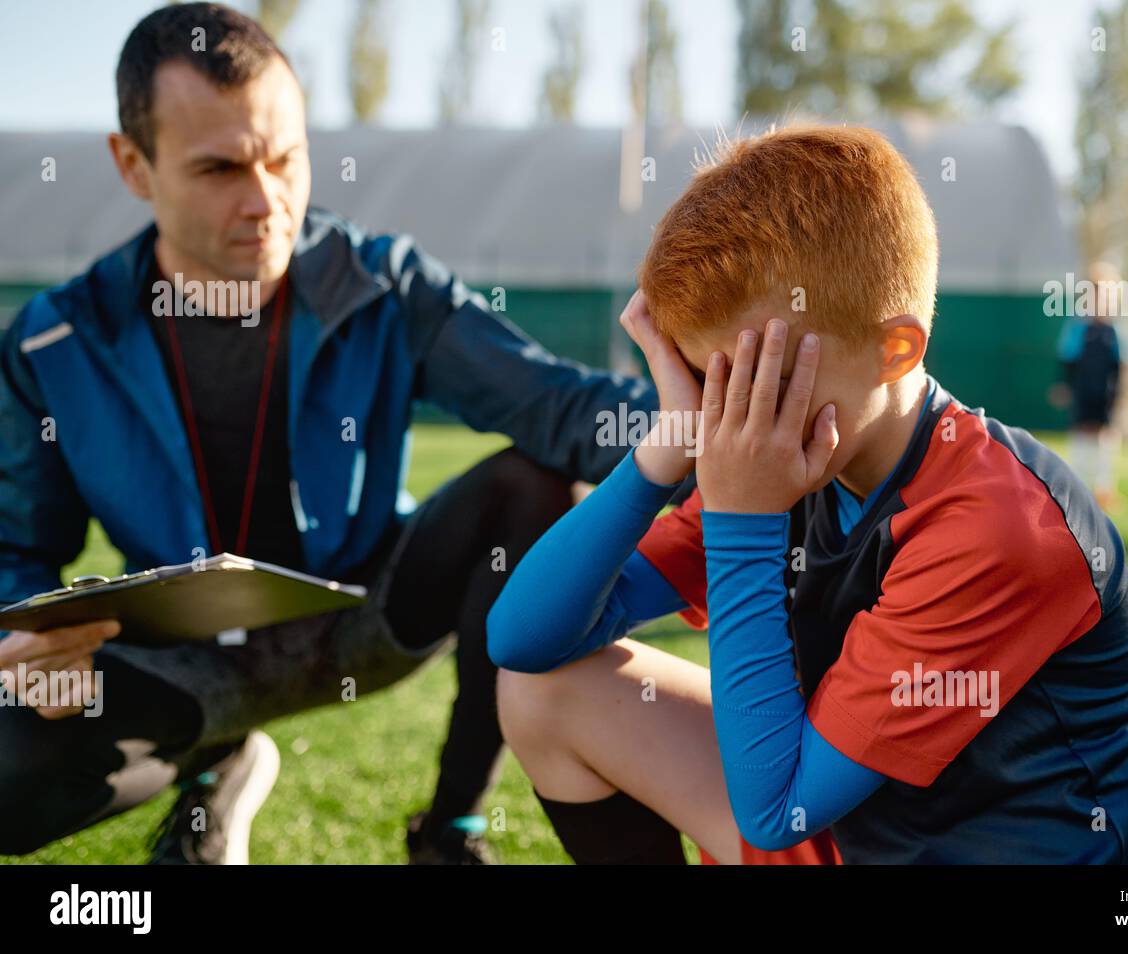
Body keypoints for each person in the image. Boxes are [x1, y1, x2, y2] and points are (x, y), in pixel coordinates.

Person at [0, 2, 653, 865]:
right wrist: (26, 644)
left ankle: (450, 829)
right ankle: (215, 770)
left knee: (531, 487)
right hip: (184, 658)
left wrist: (717, 422)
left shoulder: (380, 282)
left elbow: (557, 407)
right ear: (133, 164)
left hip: (368, 613)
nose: (266, 200)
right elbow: (16, 549)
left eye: (284, 158)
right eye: (221, 168)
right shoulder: (56, 342)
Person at [487, 124, 1128, 865]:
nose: (734, 422)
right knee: (543, 693)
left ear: (895, 349)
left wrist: (741, 522)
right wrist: (662, 451)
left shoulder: (1001, 524)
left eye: (762, 381)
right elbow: (522, 640)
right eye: (712, 384)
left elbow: (780, 812)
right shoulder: (789, 453)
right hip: (853, 833)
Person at [1056, 261, 1128, 512]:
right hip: (1083, 390)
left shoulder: (1118, 329)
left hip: (1107, 392)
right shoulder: (1077, 327)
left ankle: (1104, 489)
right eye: (1095, 292)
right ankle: (1078, 487)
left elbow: (1126, 362)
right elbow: (1067, 360)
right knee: (1082, 434)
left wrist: (1123, 393)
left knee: (1105, 438)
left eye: (1106, 293)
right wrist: (1063, 386)